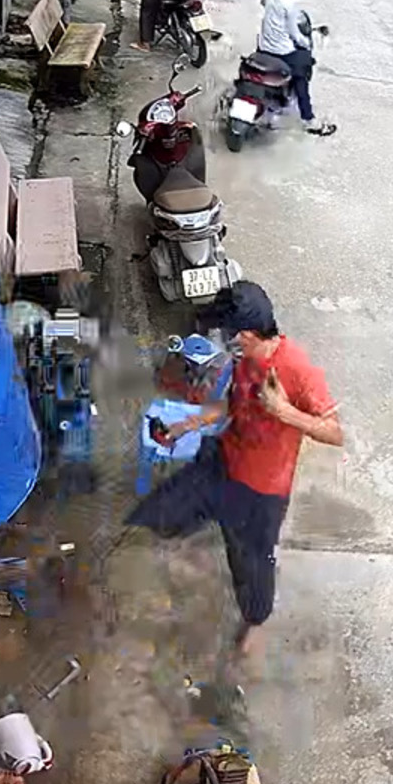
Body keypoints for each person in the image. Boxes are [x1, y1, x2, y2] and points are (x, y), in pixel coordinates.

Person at [127, 282, 344, 661]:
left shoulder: (297, 369)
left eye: (228, 333)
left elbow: (335, 432)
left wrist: (283, 411)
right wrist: (187, 425)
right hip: (223, 459)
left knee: (251, 565)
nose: (224, 340)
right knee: (159, 512)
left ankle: (255, 622)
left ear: (245, 334)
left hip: (261, 489)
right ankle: (185, 539)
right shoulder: (245, 361)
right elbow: (231, 406)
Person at [258, 0, 336, 136]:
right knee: (302, 73)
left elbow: (263, 2)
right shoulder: (290, 1)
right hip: (282, 52)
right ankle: (308, 119)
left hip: (264, 48)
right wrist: (305, 43)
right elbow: (294, 33)